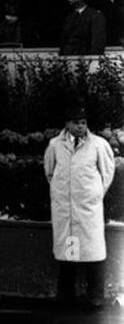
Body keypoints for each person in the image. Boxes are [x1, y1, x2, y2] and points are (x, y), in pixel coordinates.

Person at [44, 101, 116, 310]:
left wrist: (93, 194)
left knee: (93, 252)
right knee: (70, 252)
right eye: (76, 123)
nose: (80, 127)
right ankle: (67, 295)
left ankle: (95, 295)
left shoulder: (98, 145)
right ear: (67, 124)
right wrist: (63, 192)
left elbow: (107, 172)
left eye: (83, 123)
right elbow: (50, 171)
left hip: (88, 209)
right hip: (66, 209)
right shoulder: (56, 145)